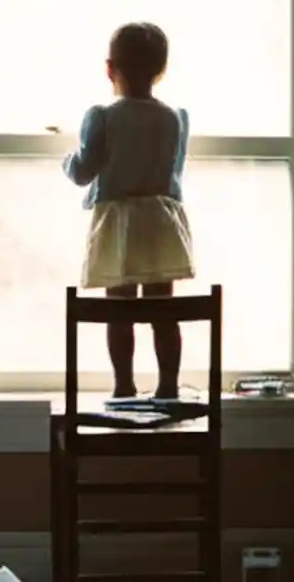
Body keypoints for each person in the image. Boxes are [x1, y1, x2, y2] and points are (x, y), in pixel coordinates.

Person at [61, 22, 195, 399]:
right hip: (160, 221)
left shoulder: (102, 117)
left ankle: (124, 385)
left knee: (119, 311)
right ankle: (168, 385)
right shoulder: (175, 118)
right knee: (162, 312)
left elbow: (84, 170)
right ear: (161, 70)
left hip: (118, 222)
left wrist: (65, 160)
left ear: (110, 68)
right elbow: (174, 175)